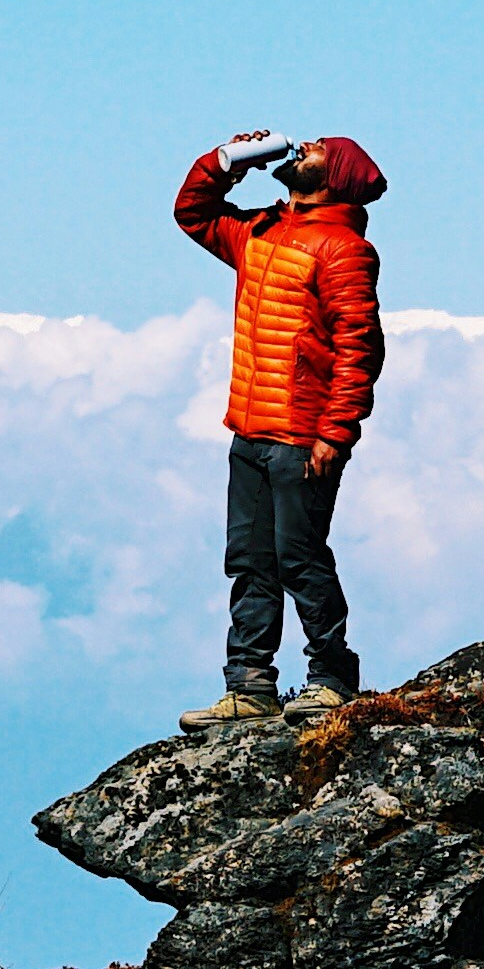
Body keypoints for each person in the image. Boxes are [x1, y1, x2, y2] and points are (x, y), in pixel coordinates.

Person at [171, 129, 388, 730]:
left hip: (304, 436)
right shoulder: (260, 231)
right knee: (248, 559)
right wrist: (225, 162)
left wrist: (334, 434)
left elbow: (358, 349)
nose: (301, 150)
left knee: (299, 558)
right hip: (249, 427)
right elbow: (192, 213)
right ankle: (249, 687)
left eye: (316, 149)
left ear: (336, 176)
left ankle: (332, 679)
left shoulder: (342, 249)